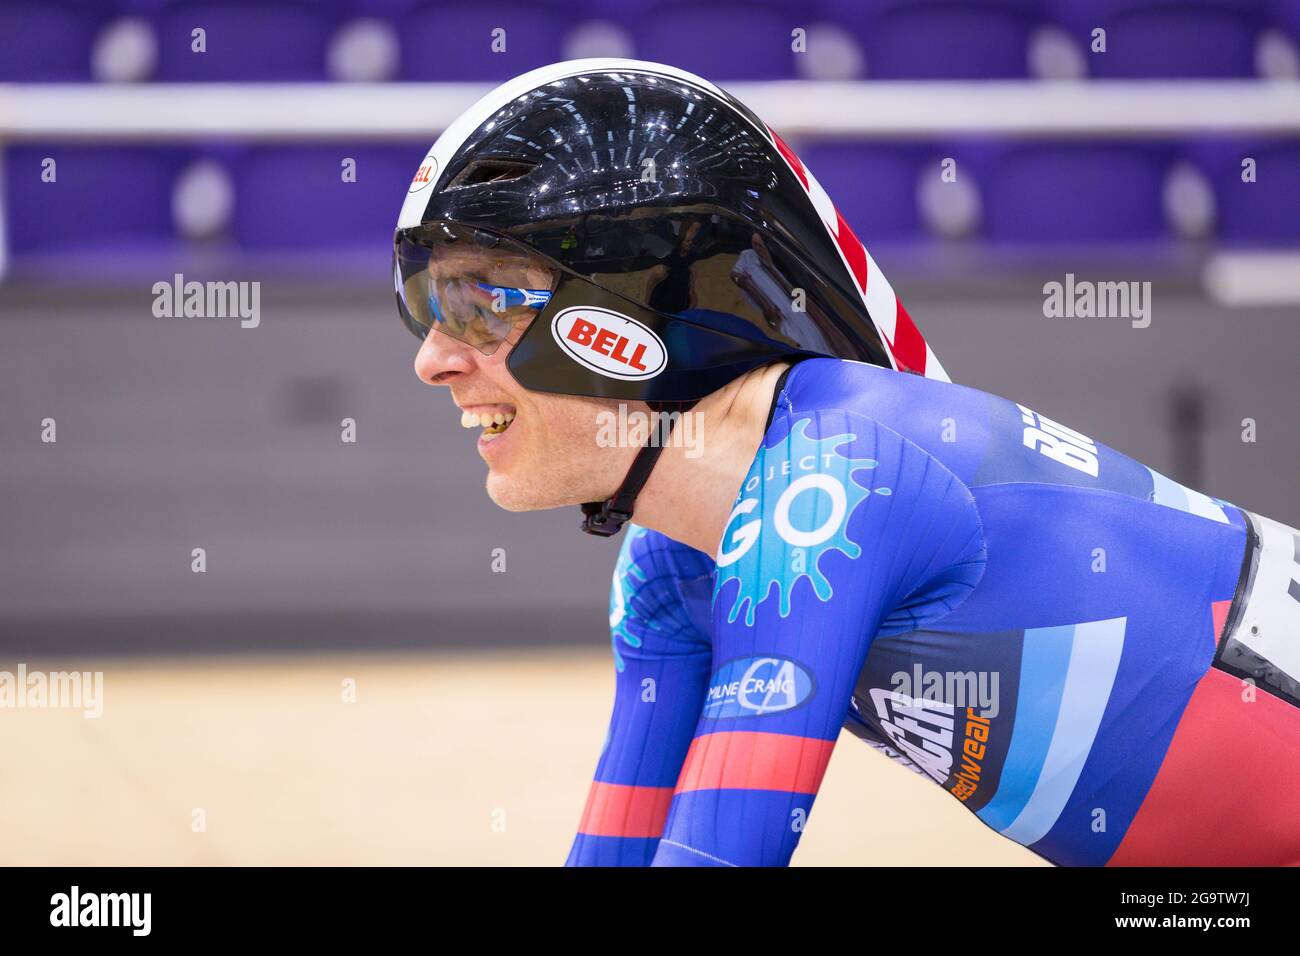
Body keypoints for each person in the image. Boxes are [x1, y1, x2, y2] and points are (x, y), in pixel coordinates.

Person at [394, 59, 1300, 866]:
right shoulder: (678, 556)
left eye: (483, 301)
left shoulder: (834, 480)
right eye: (426, 304)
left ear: (639, 318)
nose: (432, 359)